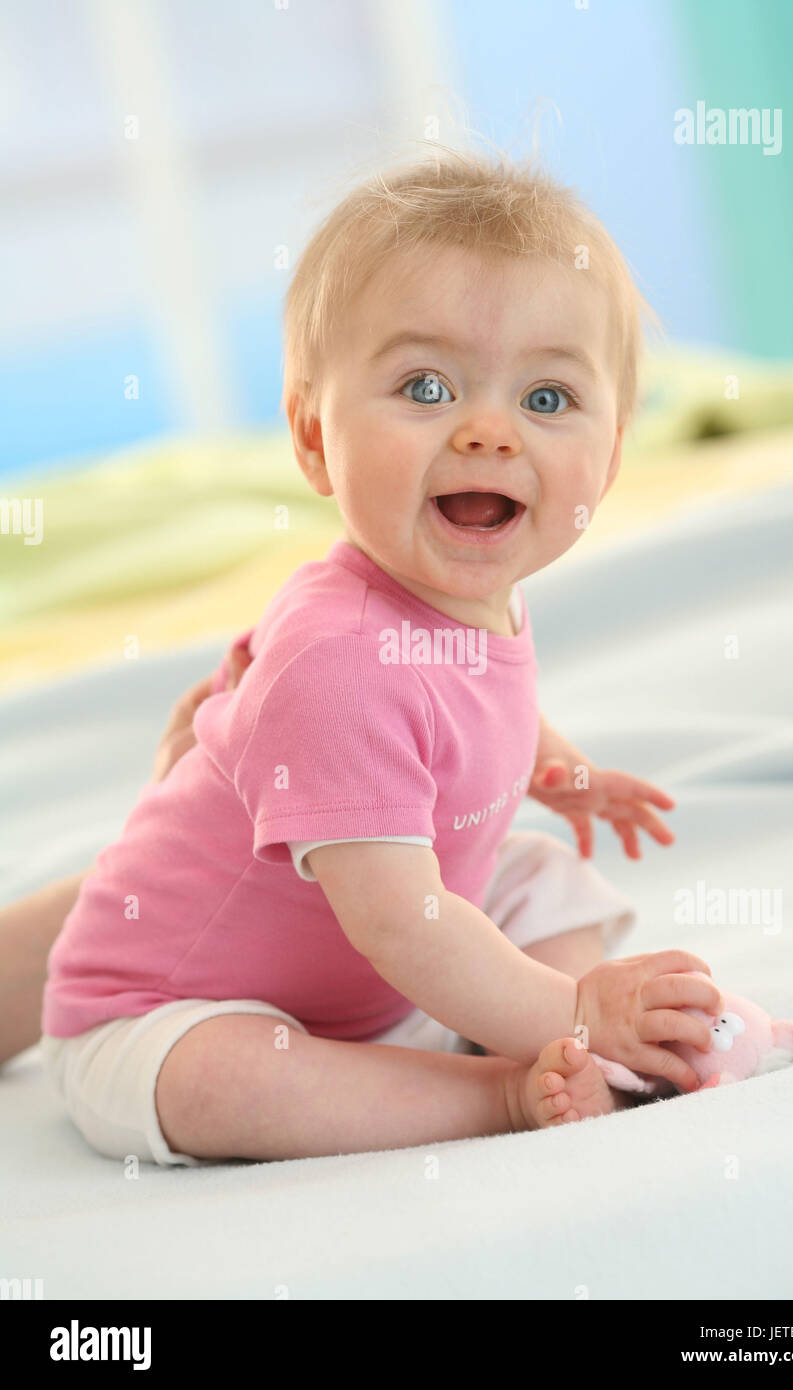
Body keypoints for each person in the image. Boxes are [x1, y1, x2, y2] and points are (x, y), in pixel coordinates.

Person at [21, 145, 725, 1165]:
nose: (488, 431)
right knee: (227, 1076)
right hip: (184, 1004)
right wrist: (572, 1010)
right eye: (426, 386)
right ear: (313, 436)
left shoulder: (476, 595)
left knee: (539, 874)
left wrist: (561, 775)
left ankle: (511, 1034)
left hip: (372, 977)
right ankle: (499, 1090)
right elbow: (404, 925)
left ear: (609, 458)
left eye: (544, 400)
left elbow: (484, 704)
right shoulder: (338, 659)